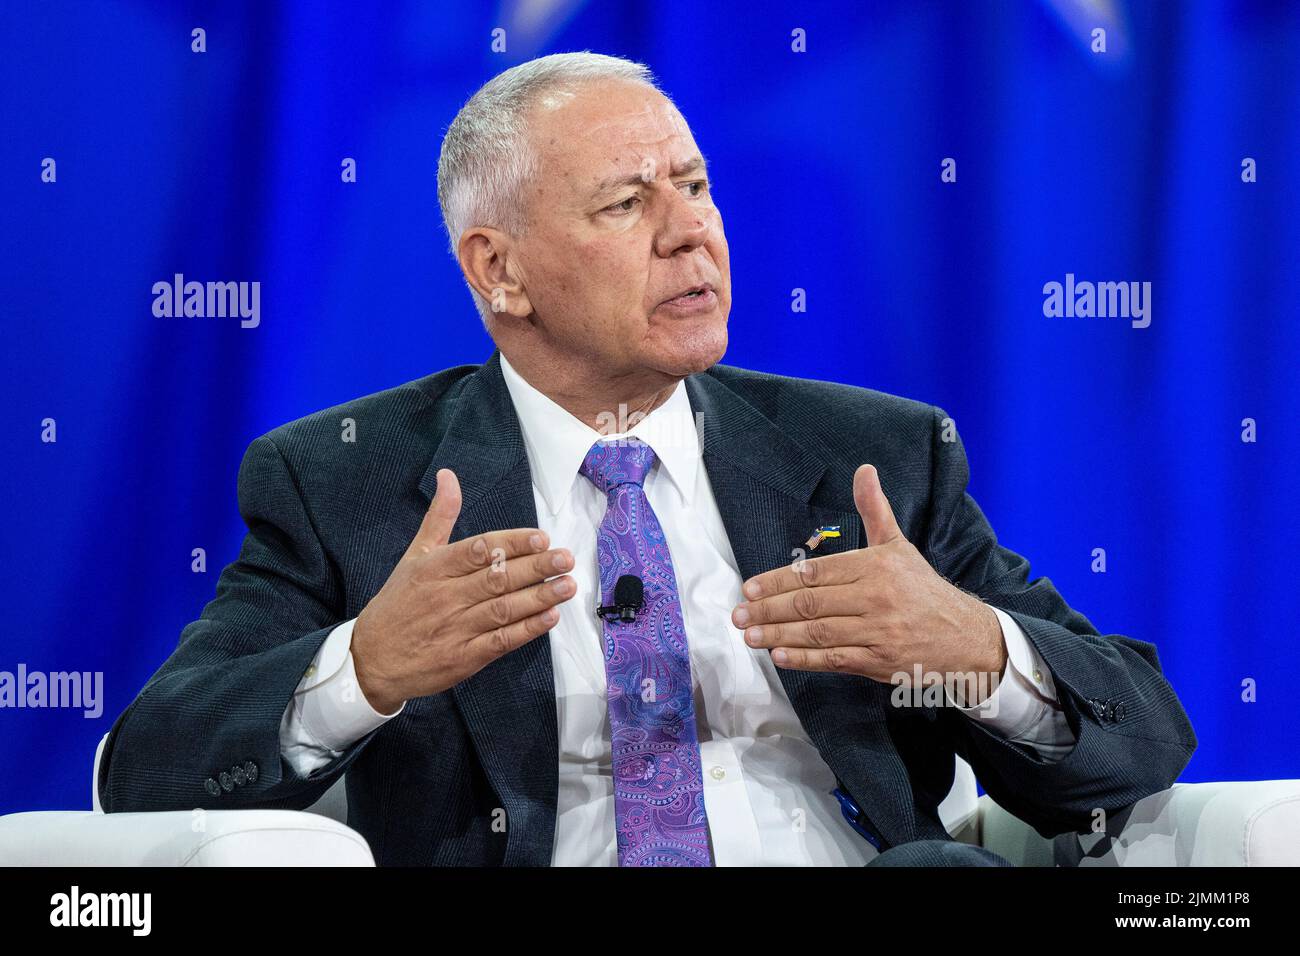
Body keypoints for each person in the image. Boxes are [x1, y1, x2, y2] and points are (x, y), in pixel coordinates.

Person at [98, 52, 1196, 867]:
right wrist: (366, 665)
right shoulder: (343, 481)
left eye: (696, 186)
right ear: (501, 271)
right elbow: (143, 770)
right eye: (628, 204)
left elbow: (1144, 739)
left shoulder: (873, 455)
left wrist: (975, 648)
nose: (691, 233)